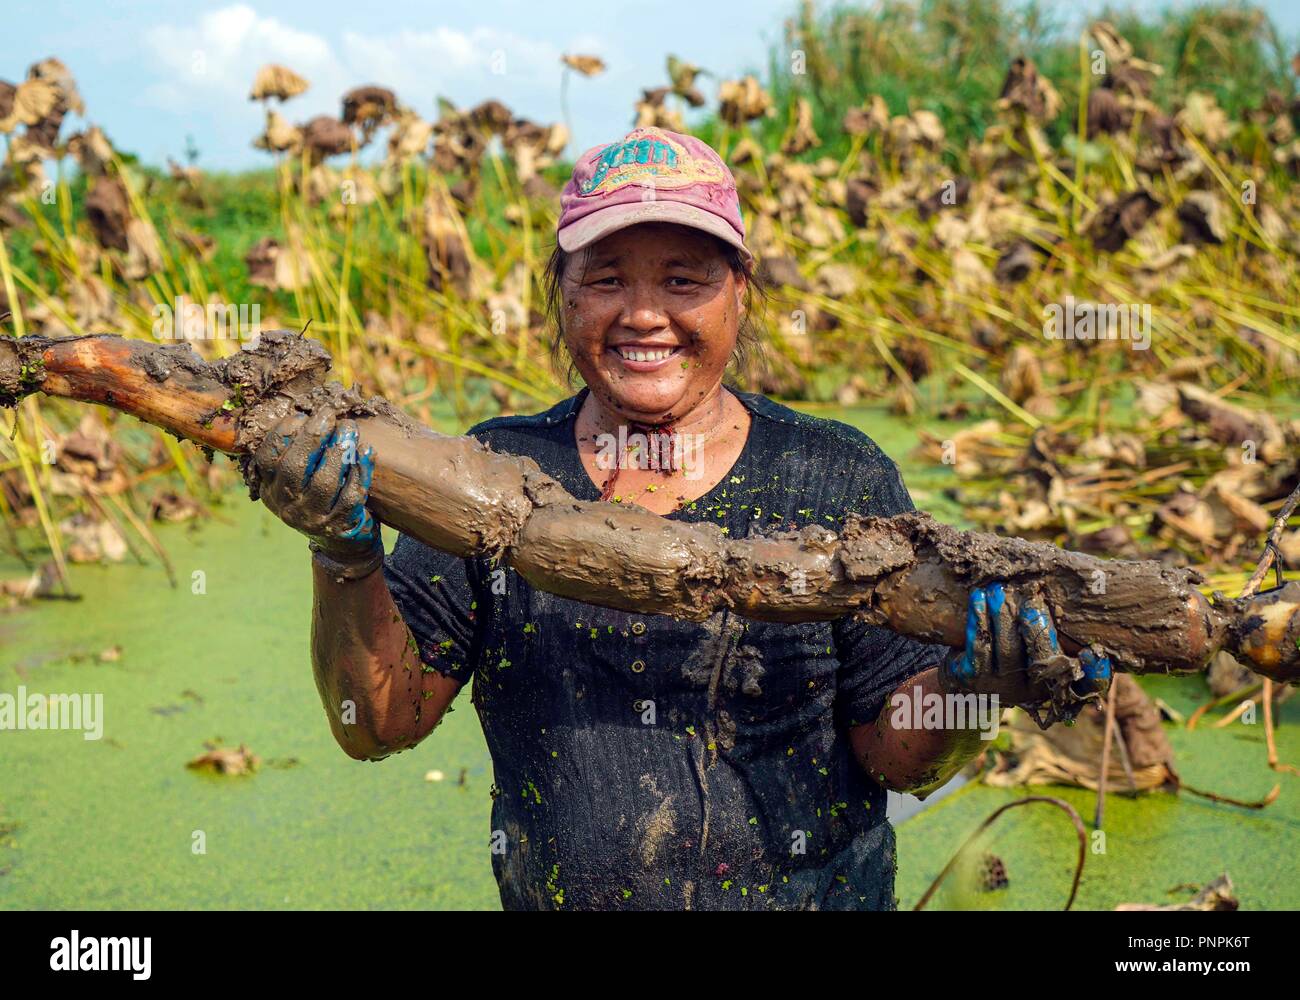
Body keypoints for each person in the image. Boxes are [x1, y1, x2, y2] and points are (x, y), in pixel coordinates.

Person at [250, 126, 1111, 910]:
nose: (644, 315)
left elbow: (895, 753)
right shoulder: (490, 476)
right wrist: (342, 556)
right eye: (608, 278)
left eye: (683, 279)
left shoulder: (836, 475)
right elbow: (379, 723)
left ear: (739, 292)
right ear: (564, 295)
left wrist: (974, 690)